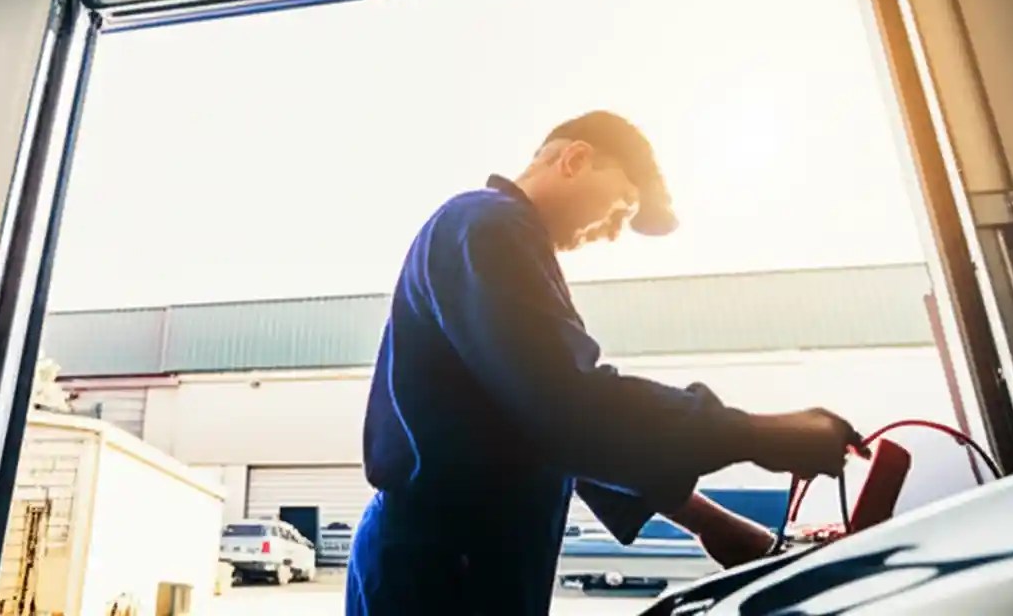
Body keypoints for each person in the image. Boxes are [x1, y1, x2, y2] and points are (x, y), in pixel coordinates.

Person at [346, 111, 867, 615]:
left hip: (460, 558)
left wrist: (713, 524)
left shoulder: (499, 239)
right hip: (444, 565)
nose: (614, 232)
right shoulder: (486, 225)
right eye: (620, 209)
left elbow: (554, 436)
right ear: (574, 160)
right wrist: (757, 435)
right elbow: (570, 408)